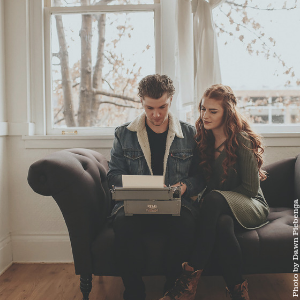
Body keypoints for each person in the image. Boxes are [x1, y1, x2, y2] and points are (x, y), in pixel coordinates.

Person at [160, 84, 269, 300]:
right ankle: (238, 291)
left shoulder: (241, 140)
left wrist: (218, 199)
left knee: (214, 199)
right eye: (203, 109)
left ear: (227, 112)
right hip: (219, 209)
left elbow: (250, 188)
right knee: (222, 225)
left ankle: (189, 278)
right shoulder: (203, 139)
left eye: (213, 111)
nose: (205, 115)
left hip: (250, 203)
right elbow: (201, 180)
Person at [107, 74, 204, 300]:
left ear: (171, 100)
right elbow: (113, 175)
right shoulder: (124, 134)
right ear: (141, 101)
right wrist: (144, 185)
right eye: (150, 108)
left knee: (187, 223)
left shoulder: (190, 134)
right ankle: (134, 292)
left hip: (176, 204)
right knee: (122, 223)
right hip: (136, 204)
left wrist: (183, 187)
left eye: (162, 106)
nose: (156, 114)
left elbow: (201, 176)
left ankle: (172, 290)